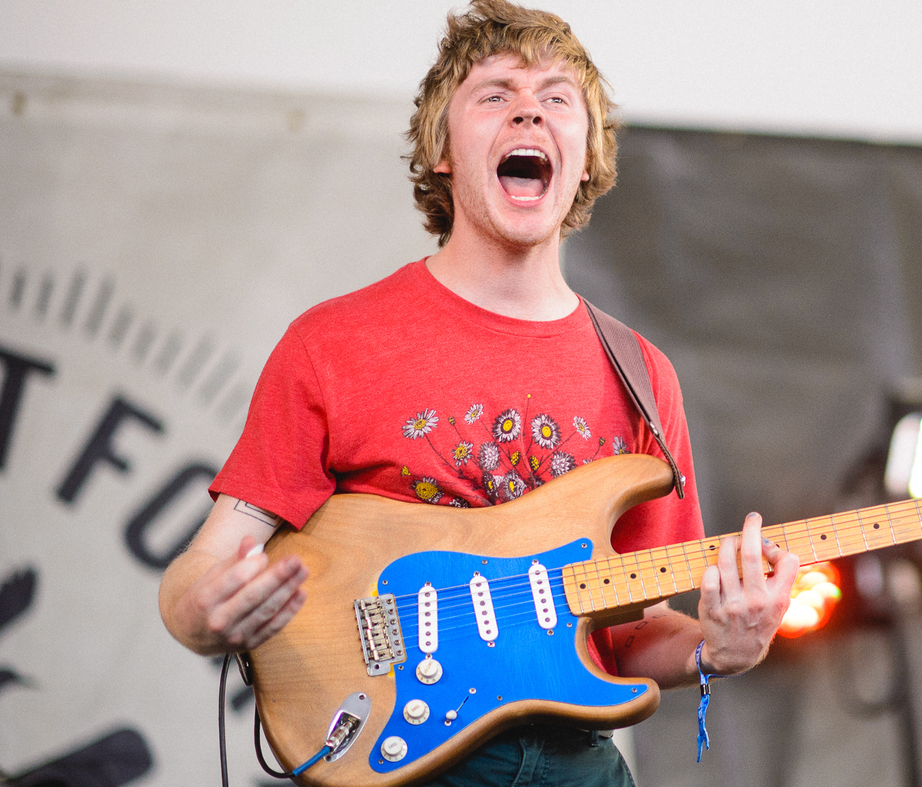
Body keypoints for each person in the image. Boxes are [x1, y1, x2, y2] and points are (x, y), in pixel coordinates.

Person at [157, 1, 799, 783]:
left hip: (575, 765)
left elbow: (629, 631)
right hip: (397, 756)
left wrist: (720, 647)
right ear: (442, 152)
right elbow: (197, 574)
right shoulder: (333, 344)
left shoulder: (641, 372)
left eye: (558, 98)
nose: (529, 107)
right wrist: (204, 615)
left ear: (588, 156)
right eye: (495, 94)